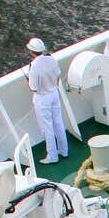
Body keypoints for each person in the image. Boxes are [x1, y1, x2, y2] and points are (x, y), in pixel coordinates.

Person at [25, 37, 67, 165]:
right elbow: (58, 74)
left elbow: (33, 88)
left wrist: (27, 82)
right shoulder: (51, 59)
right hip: (54, 93)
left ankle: (52, 156)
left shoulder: (34, 66)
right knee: (58, 123)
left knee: (47, 128)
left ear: (31, 52)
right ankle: (64, 150)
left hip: (42, 98)